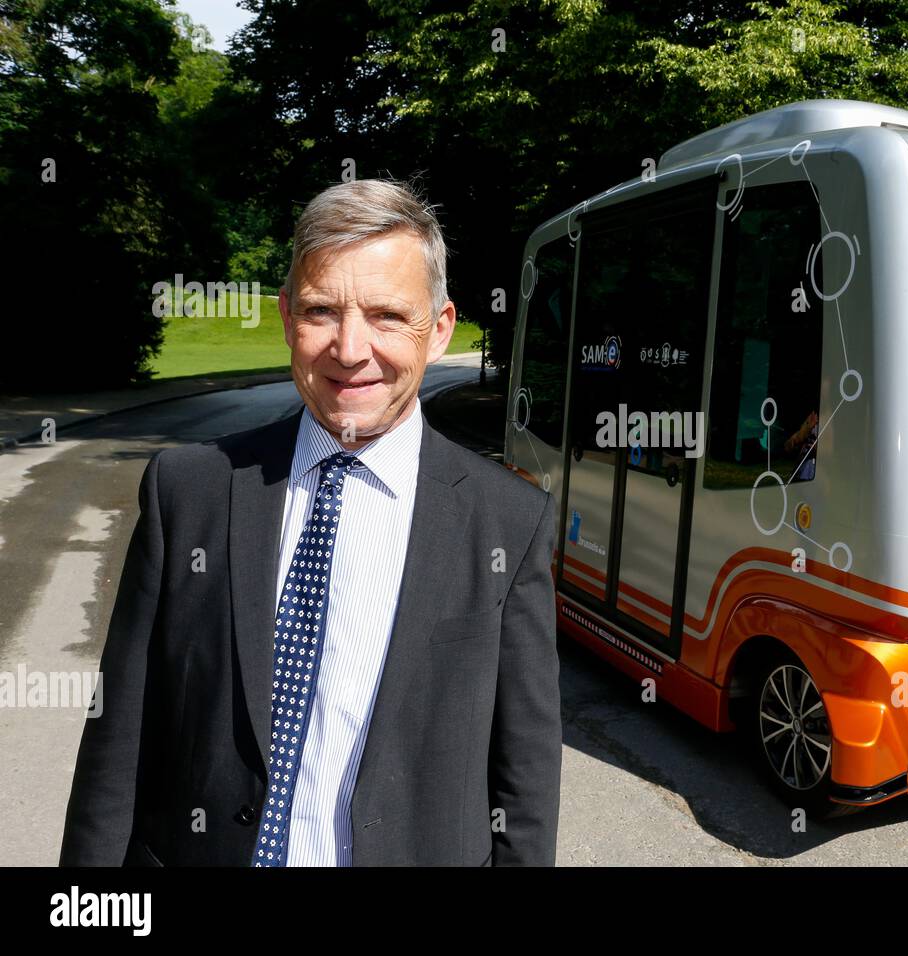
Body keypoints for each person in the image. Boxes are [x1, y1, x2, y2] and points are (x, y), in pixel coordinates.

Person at [59, 179, 562, 866]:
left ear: (440, 328)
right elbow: (120, 734)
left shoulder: (508, 520)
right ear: (287, 314)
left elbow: (526, 773)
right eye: (323, 311)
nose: (351, 350)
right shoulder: (189, 491)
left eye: (387, 315)